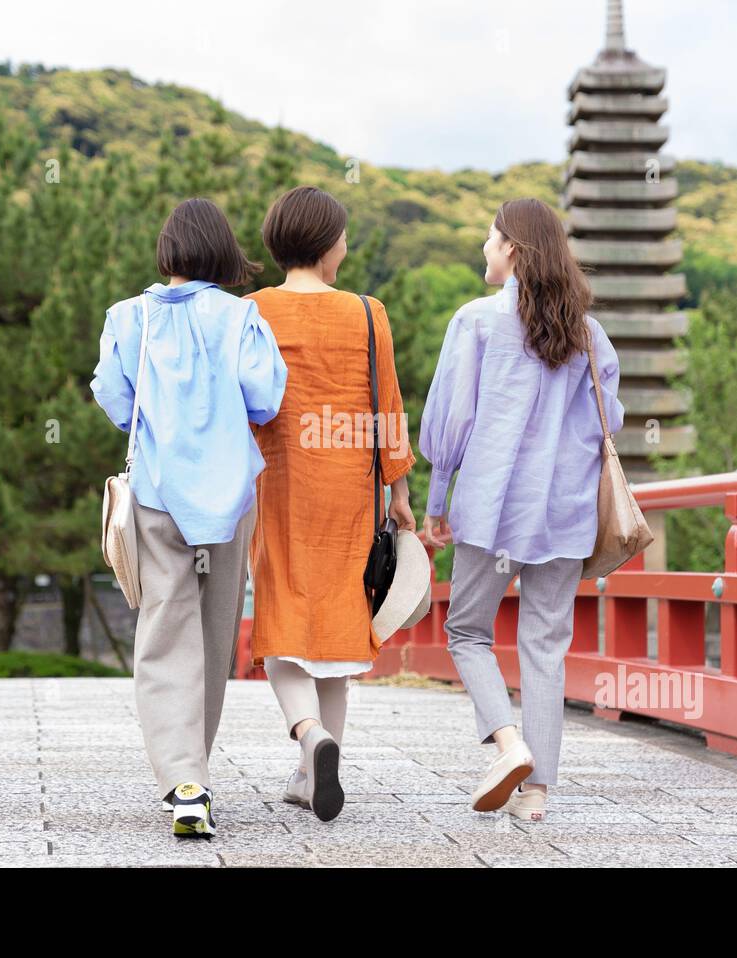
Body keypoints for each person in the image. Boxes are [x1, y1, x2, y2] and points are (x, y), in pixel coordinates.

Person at [419, 197, 625, 822]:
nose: (485, 248)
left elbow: (452, 425)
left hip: (493, 507)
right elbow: (609, 422)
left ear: (511, 248)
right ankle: (536, 795)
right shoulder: (588, 333)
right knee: (544, 646)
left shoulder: (478, 321)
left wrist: (435, 504)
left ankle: (508, 744)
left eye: (490, 237)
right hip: (563, 514)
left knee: (466, 630)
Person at [90, 198, 287, 839]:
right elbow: (265, 397)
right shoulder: (241, 316)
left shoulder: (128, 317)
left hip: (156, 491)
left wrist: (148, 424)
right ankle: (194, 772)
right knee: (214, 631)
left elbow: (112, 394)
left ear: (168, 251)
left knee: (164, 629)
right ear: (224, 252)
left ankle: (183, 782)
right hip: (228, 496)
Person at [245, 186, 416, 822]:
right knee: (339, 637)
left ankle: (308, 739)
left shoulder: (254, 310)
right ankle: (317, 765)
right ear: (327, 244)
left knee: (285, 626)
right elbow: (388, 407)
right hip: (351, 492)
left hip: (279, 484)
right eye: (343, 236)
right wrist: (399, 494)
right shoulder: (369, 313)